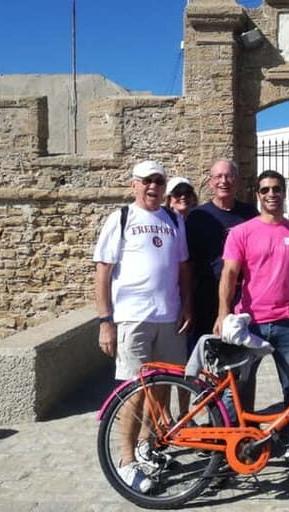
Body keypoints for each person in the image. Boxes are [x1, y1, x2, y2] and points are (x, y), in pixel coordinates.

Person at [93, 160, 193, 493]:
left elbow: (183, 268)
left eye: (159, 182)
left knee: (161, 388)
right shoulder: (121, 218)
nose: (154, 187)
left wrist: (188, 305)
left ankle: (146, 445)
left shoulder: (173, 219)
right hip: (133, 318)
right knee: (134, 391)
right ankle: (125, 461)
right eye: (147, 181)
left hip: (169, 316)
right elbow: (103, 272)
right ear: (134, 184)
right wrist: (105, 322)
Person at [215, 170, 289, 446]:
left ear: (284, 192)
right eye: (265, 190)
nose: (271, 194)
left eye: (277, 189)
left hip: (288, 323)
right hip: (251, 323)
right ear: (258, 194)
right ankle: (233, 444)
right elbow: (229, 275)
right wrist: (224, 314)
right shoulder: (242, 232)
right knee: (240, 386)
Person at [186, 159, 258, 348]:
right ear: (210, 182)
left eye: (229, 176)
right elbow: (188, 263)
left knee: (241, 364)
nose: (223, 181)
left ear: (237, 181)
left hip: (241, 300)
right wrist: (186, 304)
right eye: (218, 176)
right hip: (205, 299)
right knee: (207, 358)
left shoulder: (250, 214)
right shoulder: (198, 216)